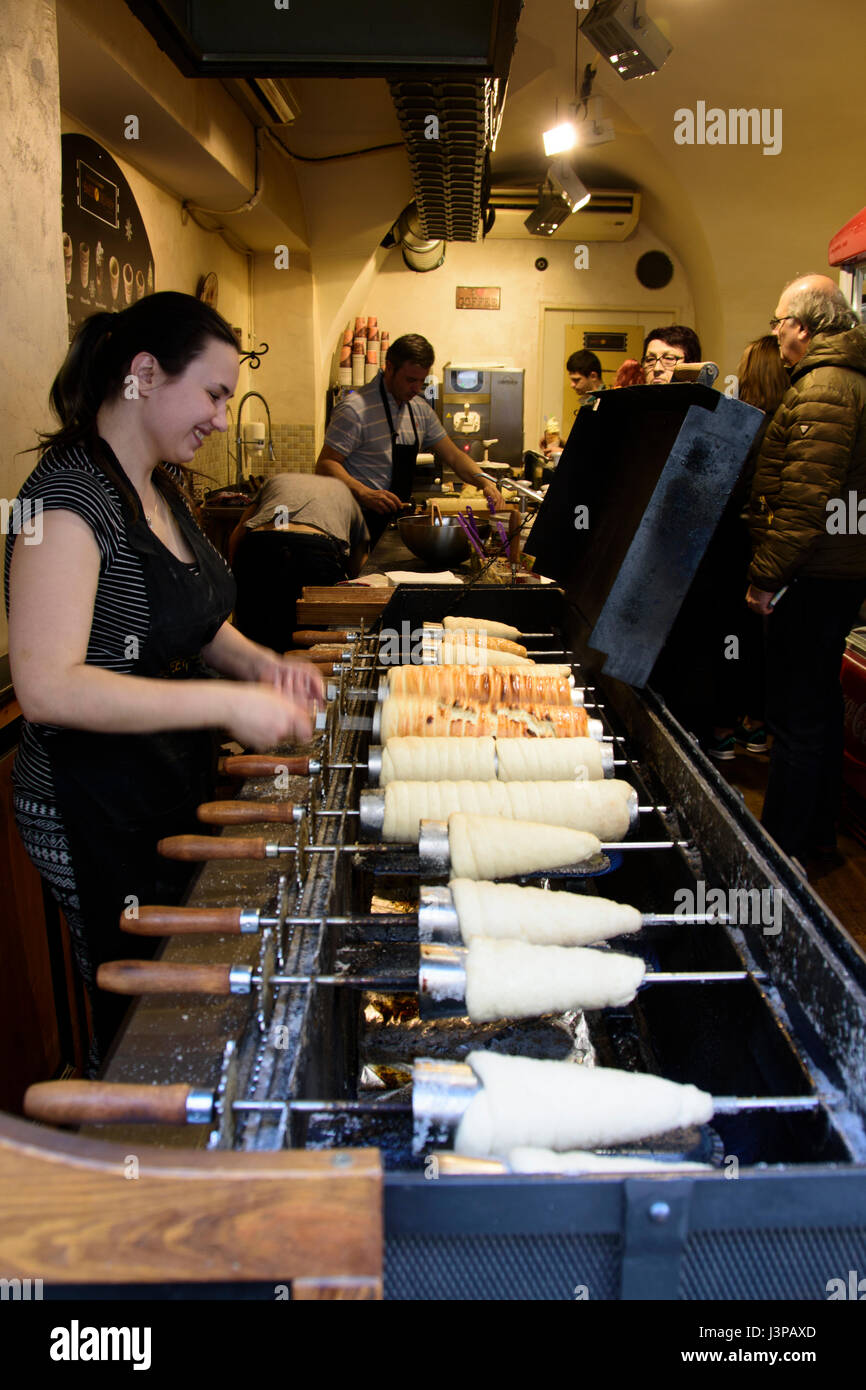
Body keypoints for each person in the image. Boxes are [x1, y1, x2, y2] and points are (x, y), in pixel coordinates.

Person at [5, 292, 322, 1069]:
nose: (221, 416)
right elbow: (47, 685)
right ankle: (128, 1151)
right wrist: (226, 702)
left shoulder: (161, 486)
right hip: (92, 802)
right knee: (137, 1004)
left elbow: (194, 623)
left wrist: (263, 668)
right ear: (144, 374)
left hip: (163, 776)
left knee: (179, 983)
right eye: (214, 393)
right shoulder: (60, 500)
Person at [746, 273, 866, 865]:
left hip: (814, 573)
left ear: (802, 325)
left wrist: (768, 576)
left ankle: (780, 852)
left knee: (794, 714)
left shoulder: (824, 385)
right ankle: (815, 839)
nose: (774, 332)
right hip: (834, 568)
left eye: (777, 320)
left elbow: (806, 498)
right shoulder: (841, 379)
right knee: (816, 705)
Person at [315, 333, 503, 546]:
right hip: (357, 520)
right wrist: (365, 493)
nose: (416, 388)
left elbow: (454, 456)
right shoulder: (354, 409)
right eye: (410, 380)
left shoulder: (420, 410)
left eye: (421, 381)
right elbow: (325, 465)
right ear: (389, 368)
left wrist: (484, 481)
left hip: (397, 521)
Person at [704, 336, 789, 760]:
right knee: (757, 642)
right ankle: (755, 726)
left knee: (726, 639)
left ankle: (721, 729)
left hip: (732, 545)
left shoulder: (742, 424)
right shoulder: (790, 422)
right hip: (777, 553)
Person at [229, 473, 369, 652]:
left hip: (259, 546)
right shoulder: (347, 495)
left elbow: (239, 532)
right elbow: (360, 571)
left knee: (255, 644)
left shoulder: (277, 480)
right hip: (314, 552)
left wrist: (236, 581)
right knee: (310, 645)